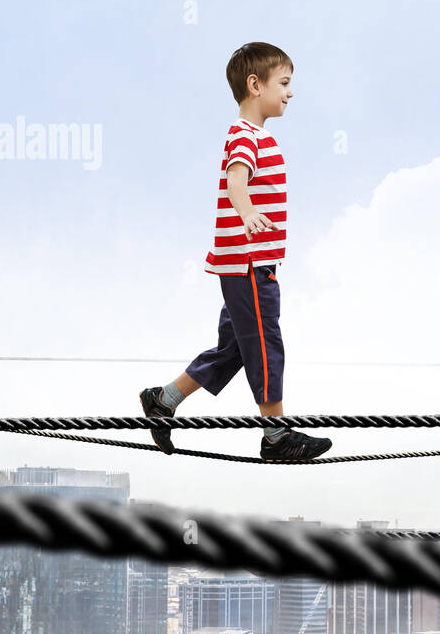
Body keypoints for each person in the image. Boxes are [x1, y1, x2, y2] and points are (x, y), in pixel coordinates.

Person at [139, 42, 332, 463]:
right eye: (283, 83)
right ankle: (276, 435)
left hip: (252, 264)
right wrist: (245, 213)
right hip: (248, 264)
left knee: (236, 348)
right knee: (265, 342)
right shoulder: (244, 136)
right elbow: (236, 181)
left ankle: (164, 399)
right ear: (254, 85)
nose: (290, 92)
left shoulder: (257, 136)